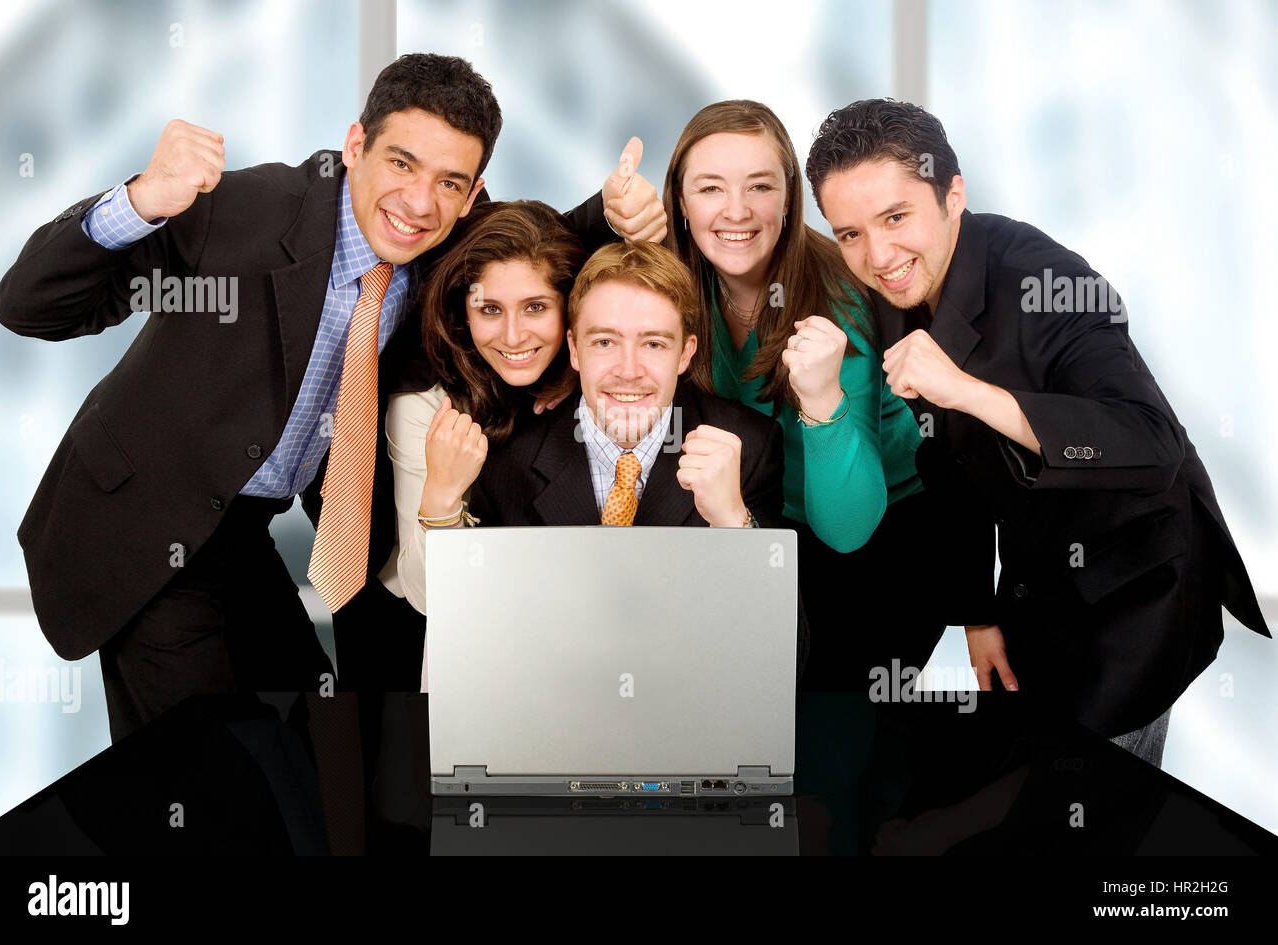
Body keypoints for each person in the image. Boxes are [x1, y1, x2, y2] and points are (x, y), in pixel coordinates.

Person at [0, 53, 666, 741]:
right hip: (145, 517)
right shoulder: (242, 211)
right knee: (201, 777)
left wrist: (615, 216)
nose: (418, 202)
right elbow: (30, 306)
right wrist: (139, 199)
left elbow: (531, 249)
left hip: (244, 532)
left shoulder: (445, 237)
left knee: (316, 740)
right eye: (401, 164)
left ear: (472, 195)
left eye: (449, 182)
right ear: (354, 146)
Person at [804, 97, 1269, 765]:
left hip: (1133, 587)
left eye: (896, 216)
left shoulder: (1046, 281)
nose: (878, 255)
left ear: (953, 194)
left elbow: (1150, 441)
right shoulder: (892, 292)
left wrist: (966, 391)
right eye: (849, 233)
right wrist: (976, 612)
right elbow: (950, 465)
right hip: (1035, 582)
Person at [662, 100, 947, 690]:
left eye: (760, 186)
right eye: (710, 188)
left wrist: (821, 402)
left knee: (834, 744)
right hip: (749, 527)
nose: (736, 211)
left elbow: (846, 530)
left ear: (790, 196)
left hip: (873, 549)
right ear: (680, 201)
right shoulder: (671, 280)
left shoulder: (842, 295)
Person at [459, 240, 800, 677]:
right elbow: (485, 647)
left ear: (686, 353)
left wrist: (736, 525)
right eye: (605, 342)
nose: (629, 370)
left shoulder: (749, 447)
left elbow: (791, 659)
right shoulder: (506, 457)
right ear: (574, 350)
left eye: (654, 344)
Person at [377, 200, 589, 690]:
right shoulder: (424, 406)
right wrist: (442, 497)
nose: (513, 336)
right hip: (445, 626)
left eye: (535, 307)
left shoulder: (604, 373)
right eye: (489, 310)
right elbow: (429, 595)